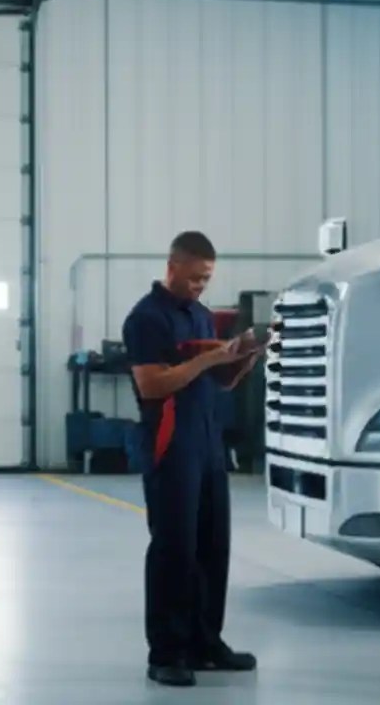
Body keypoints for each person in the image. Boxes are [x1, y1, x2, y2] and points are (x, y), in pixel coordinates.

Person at [122, 230, 263, 687]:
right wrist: (207, 361)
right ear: (173, 266)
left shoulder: (201, 316)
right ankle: (166, 653)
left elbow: (216, 381)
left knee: (211, 546)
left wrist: (242, 360)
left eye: (207, 279)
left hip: (206, 442)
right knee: (173, 548)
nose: (202, 286)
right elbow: (152, 385)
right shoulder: (146, 319)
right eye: (197, 277)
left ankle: (206, 644)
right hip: (170, 444)